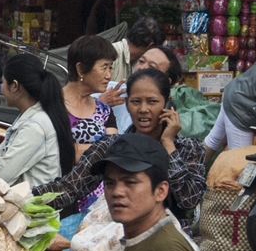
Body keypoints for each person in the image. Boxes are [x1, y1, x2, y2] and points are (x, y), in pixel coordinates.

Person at [37, 68, 206, 229]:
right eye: (135, 102)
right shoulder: (112, 145)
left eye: (153, 101)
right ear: (126, 104)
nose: (143, 109)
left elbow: (189, 200)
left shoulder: (188, 147)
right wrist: (24, 199)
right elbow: (70, 187)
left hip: (170, 240)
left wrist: (168, 144)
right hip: (114, 239)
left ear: (167, 102)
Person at [0, 53, 75, 189]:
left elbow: (1, 175)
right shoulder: (29, 116)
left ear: (14, 86)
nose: (1, 88)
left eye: (2, 82)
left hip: (30, 207)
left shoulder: (35, 126)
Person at [64, 34, 118, 155]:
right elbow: (55, 152)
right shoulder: (53, 104)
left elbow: (114, 151)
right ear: (81, 69)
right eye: (104, 67)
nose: (109, 75)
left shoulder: (104, 111)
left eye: (110, 67)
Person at [113, 45, 183, 132]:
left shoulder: (184, 143)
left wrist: (167, 141)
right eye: (141, 61)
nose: (142, 68)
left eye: (152, 67)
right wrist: (101, 106)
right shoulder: (109, 90)